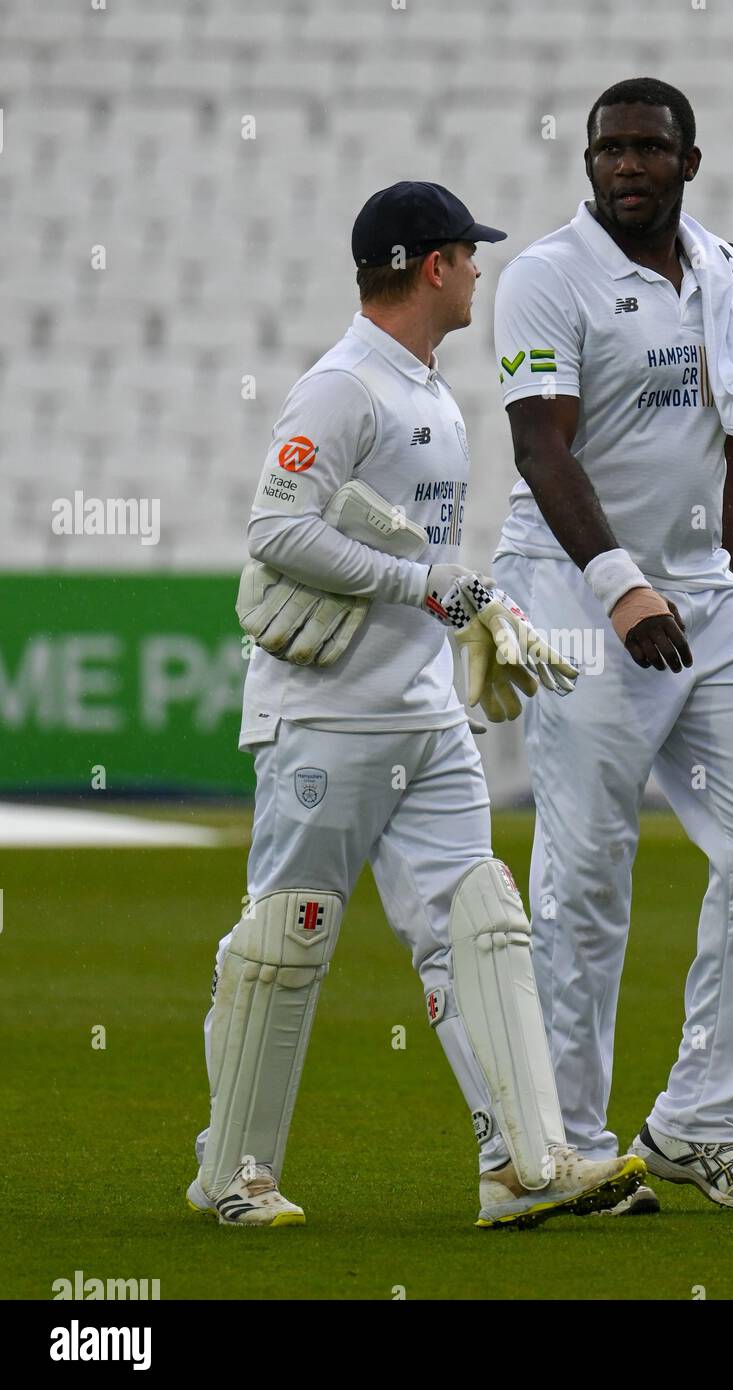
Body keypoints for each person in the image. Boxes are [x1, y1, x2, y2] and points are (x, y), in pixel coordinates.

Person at [187, 181, 644, 1229]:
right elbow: (276, 531)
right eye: (468, 256)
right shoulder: (340, 387)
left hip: (425, 716)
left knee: (475, 923)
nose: (480, 271)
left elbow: (408, 552)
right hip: (327, 716)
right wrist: (430, 586)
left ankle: (523, 1165)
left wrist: (474, 603)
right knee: (288, 935)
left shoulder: (433, 390)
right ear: (431, 266)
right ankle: (233, 1171)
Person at [491, 80, 733, 1215]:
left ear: (689, 160)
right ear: (586, 163)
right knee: (585, 870)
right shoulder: (545, 275)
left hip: (706, 598)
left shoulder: (725, 273)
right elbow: (541, 449)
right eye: (607, 148)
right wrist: (618, 587)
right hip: (578, 596)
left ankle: (693, 1125)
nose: (625, 165)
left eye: (647, 148)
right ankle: (567, 1148)